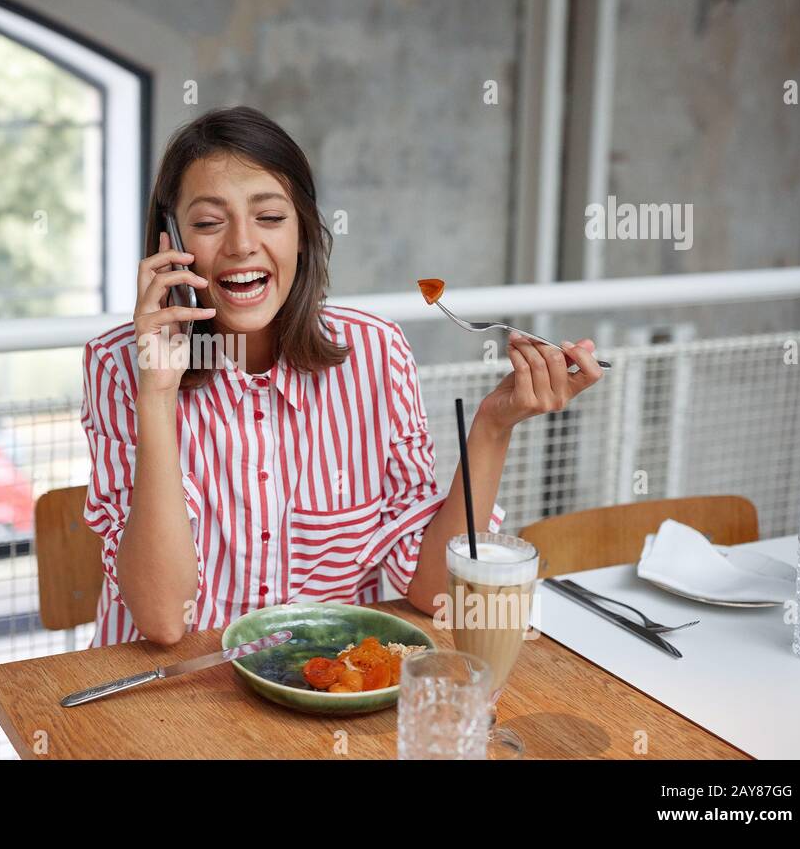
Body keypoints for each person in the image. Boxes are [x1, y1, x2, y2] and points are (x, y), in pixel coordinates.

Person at [80, 106, 603, 647]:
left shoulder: (376, 353)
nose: (240, 244)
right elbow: (165, 619)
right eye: (210, 223)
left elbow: (431, 592)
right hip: (163, 700)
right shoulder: (120, 366)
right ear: (171, 242)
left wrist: (494, 425)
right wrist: (159, 394)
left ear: (304, 232)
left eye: (270, 217)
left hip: (322, 698)